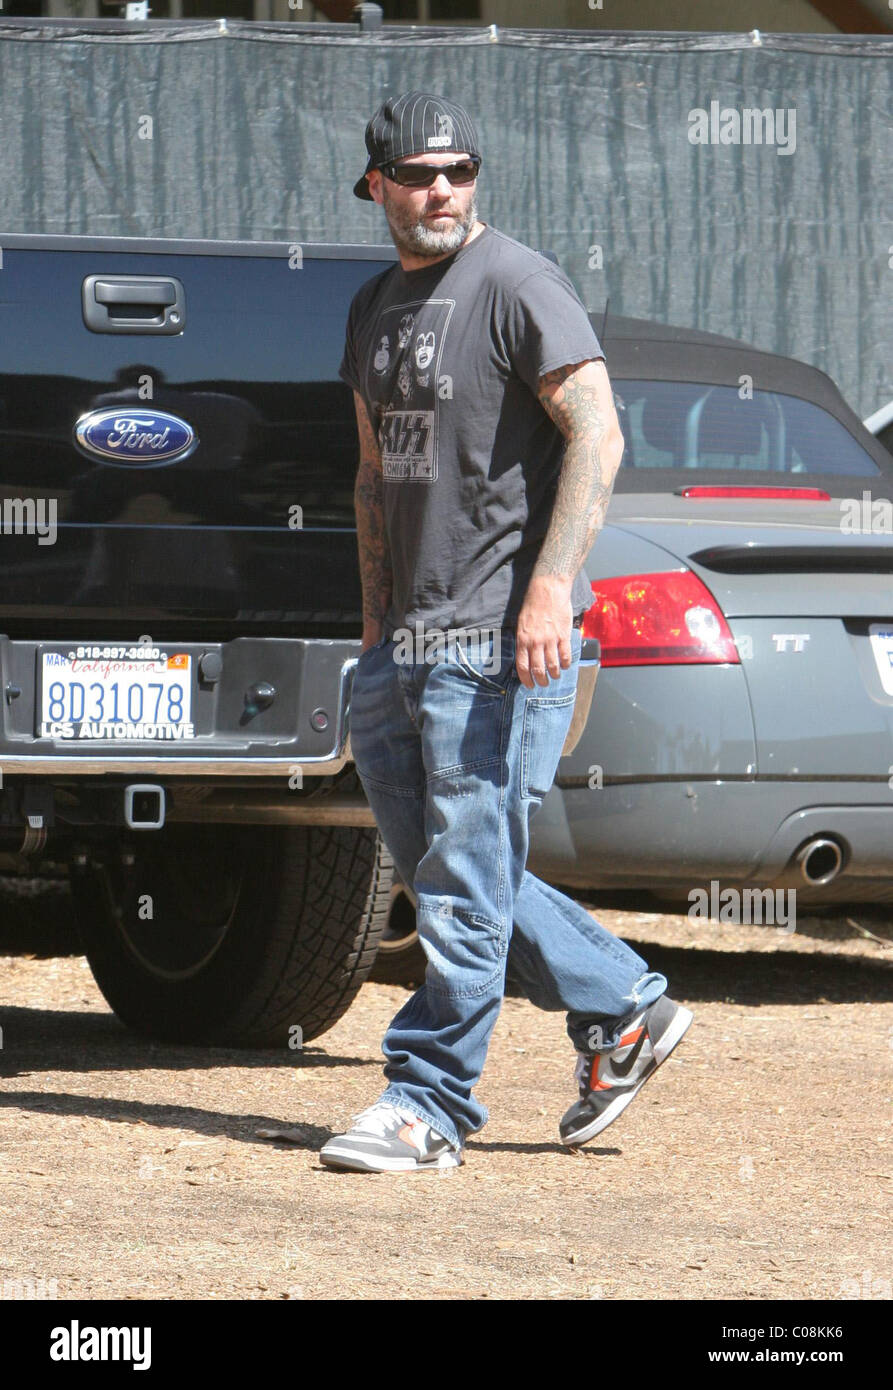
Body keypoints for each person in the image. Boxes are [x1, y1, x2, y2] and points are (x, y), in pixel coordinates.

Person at [321, 91, 692, 1173]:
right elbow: (371, 471)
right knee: (451, 868)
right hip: (404, 643)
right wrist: (375, 619)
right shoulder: (372, 307)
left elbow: (598, 435)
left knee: (464, 873)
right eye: (418, 173)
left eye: (460, 171)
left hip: (498, 638)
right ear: (376, 185)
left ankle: (427, 1103)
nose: (441, 190)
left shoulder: (519, 282)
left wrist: (549, 590)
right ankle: (621, 1000)